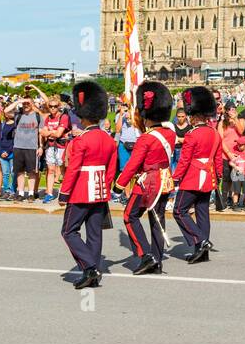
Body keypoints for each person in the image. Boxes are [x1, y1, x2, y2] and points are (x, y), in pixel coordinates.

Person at [58, 80, 117, 288]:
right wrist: (105, 187)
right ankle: (93, 270)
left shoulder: (82, 140)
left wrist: (64, 192)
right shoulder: (109, 139)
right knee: (94, 232)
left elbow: (73, 169)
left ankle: (89, 266)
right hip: (100, 189)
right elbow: (111, 170)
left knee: (69, 231)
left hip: (82, 189)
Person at [114, 82, 177, 275]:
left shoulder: (146, 138)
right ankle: (156, 260)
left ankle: (145, 255)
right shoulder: (170, 134)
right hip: (165, 180)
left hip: (149, 182)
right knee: (157, 220)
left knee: (129, 216)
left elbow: (133, 164)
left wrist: (119, 185)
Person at [171, 86, 222, 264]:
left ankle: (200, 241)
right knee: (202, 213)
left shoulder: (192, 135)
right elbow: (218, 159)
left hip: (192, 178)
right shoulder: (215, 134)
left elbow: (184, 161)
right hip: (209, 177)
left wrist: (174, 177)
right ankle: (202, 252)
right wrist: (219, 176)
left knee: (179, 210)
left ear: (194, 115)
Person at [11, 97, 42, 201]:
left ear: (32, 104)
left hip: (32, 147)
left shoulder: (38, 116)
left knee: (31, 172)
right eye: (24, 103)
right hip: (18, 146)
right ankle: (20, 193)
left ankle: (31, 193)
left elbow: (40, 133)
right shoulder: (18, 115)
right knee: (19, 172)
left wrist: (40, 146)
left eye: (28, 103)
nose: (26, 105)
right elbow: (6, 111)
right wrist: (18, 101)